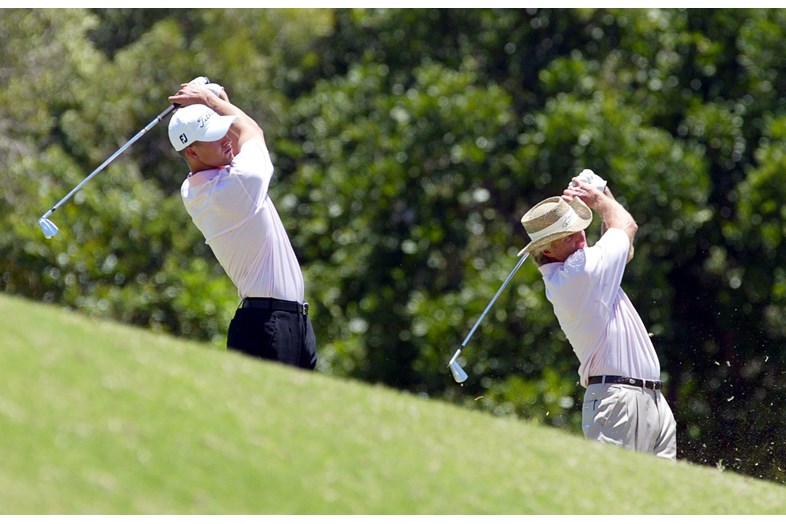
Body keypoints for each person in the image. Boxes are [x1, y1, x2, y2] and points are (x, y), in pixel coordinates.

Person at [517, 173, 676, 459]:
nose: (581, 237)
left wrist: (602, 193)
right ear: (548, 249)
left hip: (648, 399)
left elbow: (623, 249)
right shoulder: (580, 272)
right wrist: (598, 198)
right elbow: (627, 225)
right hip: (618, 400)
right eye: (569, 235)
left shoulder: (580, 269)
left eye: (580, 228)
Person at [167, 79, 317, 370]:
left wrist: (218, 101)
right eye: (214, 136)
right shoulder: (235, 186)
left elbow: (236, 140)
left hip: (285, 321)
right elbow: (251, 133)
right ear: (193, 153)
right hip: (267, 324)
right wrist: (211, 102)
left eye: (223, 130)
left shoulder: (201, 186)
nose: (225, 139)